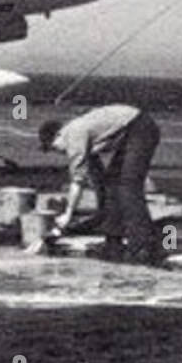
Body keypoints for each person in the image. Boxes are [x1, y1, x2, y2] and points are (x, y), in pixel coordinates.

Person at [38, 104, 163, 266]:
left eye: (54, 148)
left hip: (139, 128)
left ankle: (144, 246)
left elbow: (77, 182)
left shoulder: (74, 136)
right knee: (112, 184)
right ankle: (113, 242)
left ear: (58, 135)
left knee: (128, 186)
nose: (60, 152)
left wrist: (68, 215)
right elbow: (99, 182)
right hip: (130, 129)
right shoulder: (81, 137)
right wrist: (101, 212)